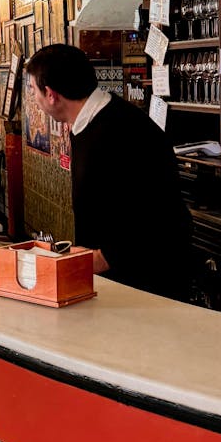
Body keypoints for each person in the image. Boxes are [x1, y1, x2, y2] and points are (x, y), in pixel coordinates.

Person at [24, 43, 192, 300]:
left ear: (51, 94)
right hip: (114, 286)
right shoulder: (88, 123)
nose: (34, 99)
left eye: (33, 90)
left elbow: (160, 217)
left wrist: (102, 258)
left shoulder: (122, 131)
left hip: (147, 292)